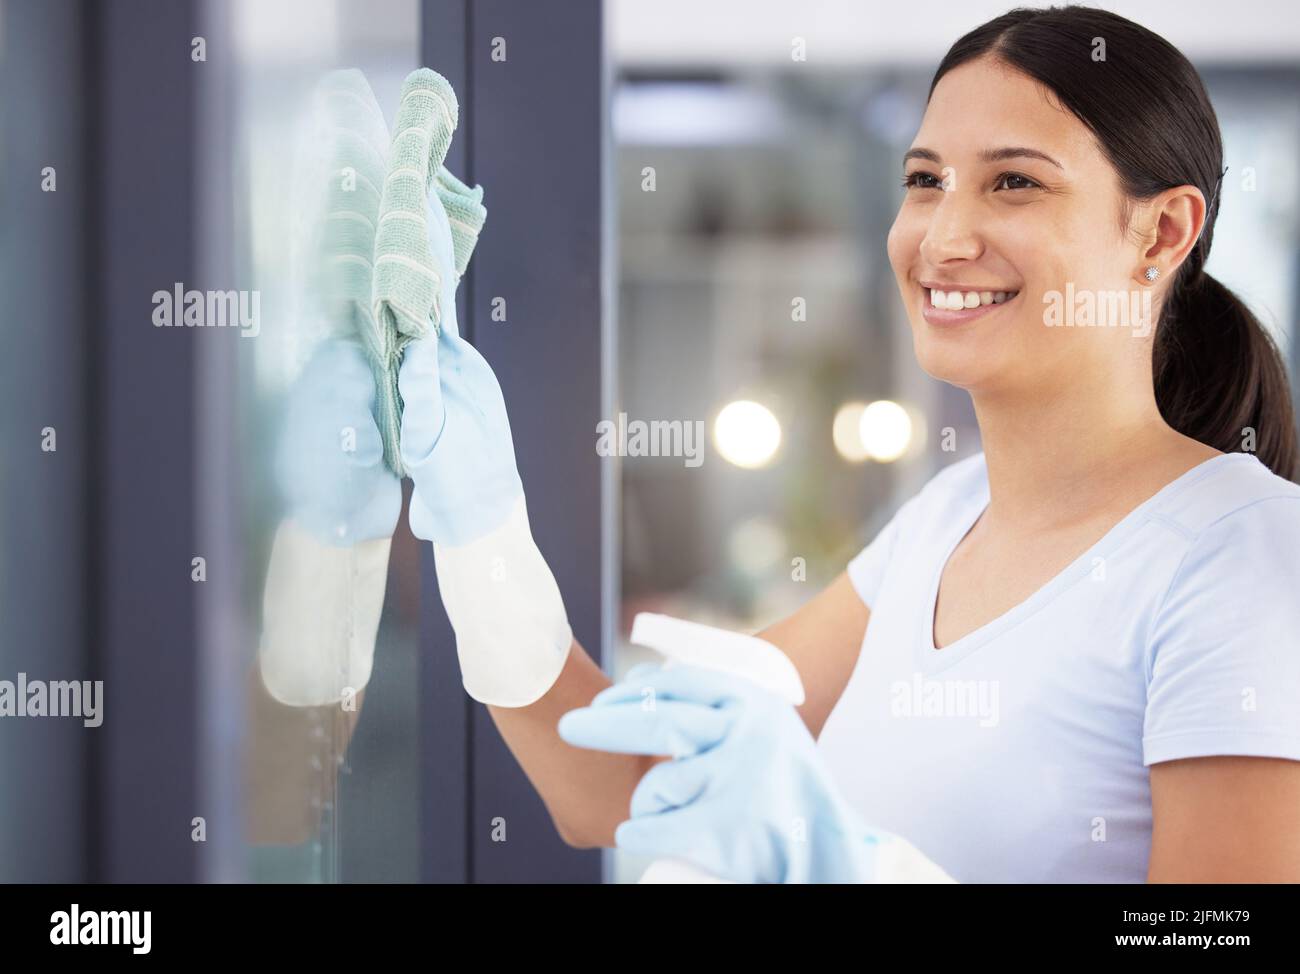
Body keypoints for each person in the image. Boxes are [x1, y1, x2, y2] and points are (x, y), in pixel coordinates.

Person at [398, 6, 1300, 882]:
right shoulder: (941, 522)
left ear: (1163, 230)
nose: (943, 237)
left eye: (1014, 181)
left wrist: (857, 869)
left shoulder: (1242, 553)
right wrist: (484, 532)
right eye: (923, 180)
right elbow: (618, 785)